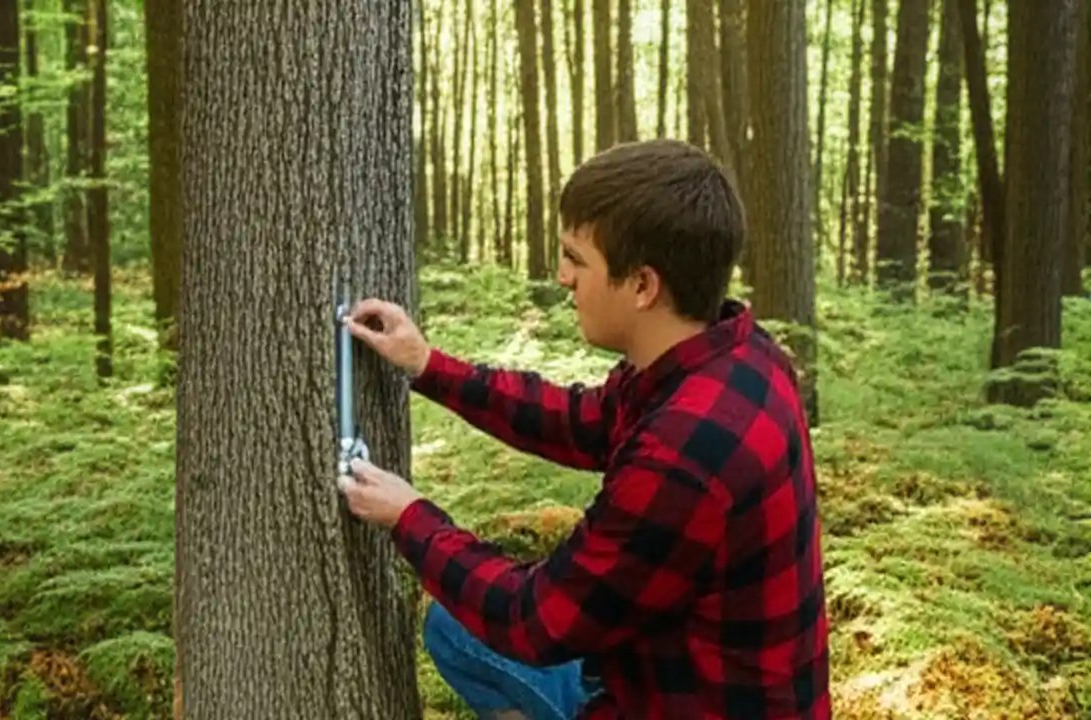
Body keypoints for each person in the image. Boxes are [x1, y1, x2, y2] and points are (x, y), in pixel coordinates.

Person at [338, 138, 830, 719]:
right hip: (675, 679)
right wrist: (428, 365)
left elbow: (532, 621)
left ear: (643, 285)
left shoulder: (687, 453)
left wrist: (408, 517)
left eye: (577, 258)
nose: (563, 276)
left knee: (477, 624)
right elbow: (580, 421)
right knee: (456, 628)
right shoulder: (737, 356)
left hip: (693, 704)